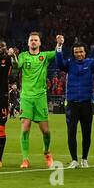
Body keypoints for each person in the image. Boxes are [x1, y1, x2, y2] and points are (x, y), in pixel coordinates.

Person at [15, 31, 60, 169]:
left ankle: (47, 152)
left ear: (39, 43)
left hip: (40, 97)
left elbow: (58, 54)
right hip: (26, 97)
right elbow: (17, 65)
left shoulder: (44, 56)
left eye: (36, 40)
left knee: (45, 131)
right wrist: (13, 55)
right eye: (31, 40)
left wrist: (59, 43)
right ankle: (25, 159)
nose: (33, 42)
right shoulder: (23, 56)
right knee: (25, 126)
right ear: (28, 43)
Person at [55, 37, 94, 168]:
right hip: (72, 103)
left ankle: (84, 159)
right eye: (76, 52)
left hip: (87, 103)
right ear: (73, 53)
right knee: (71, 132)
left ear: (85, 52)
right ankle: (74, 159)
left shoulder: (91, 64)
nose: (79, 54)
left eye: (81, 51)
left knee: (87, 132)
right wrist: (59, 46)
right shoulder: (69, 64)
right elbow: (59, 63)